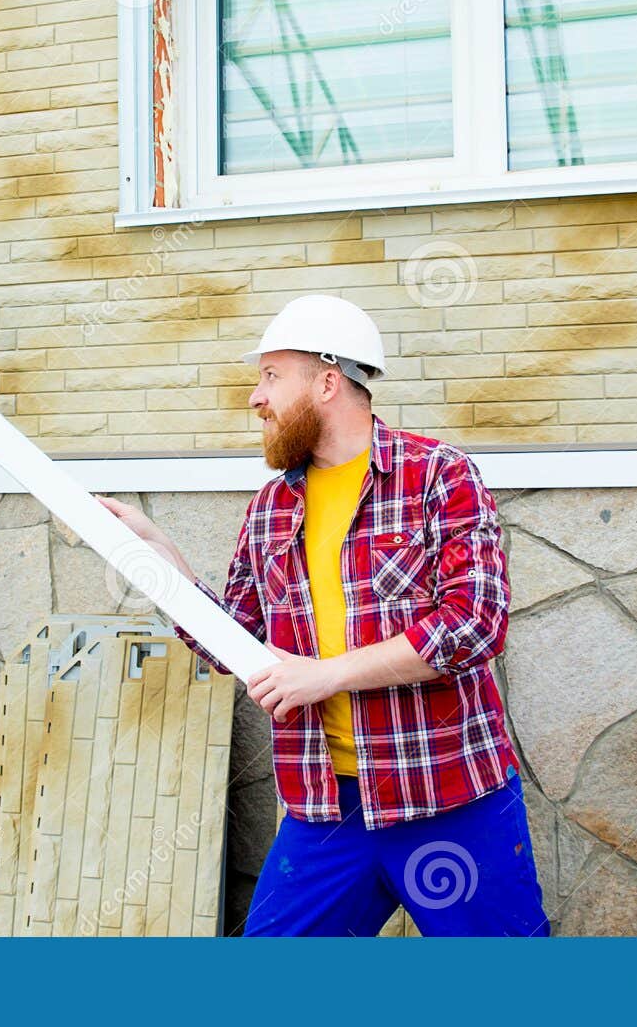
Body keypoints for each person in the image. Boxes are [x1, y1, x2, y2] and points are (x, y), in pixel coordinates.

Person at [96, 294, 549, 937]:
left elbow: (473, 623)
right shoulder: (272, 508)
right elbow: (241, 644)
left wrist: (325, 675)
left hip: (447, 797)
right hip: (327, 810)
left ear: (329, 382)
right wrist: (166, 562)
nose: (257, 398)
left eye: (272, 376)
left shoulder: (436, 476)